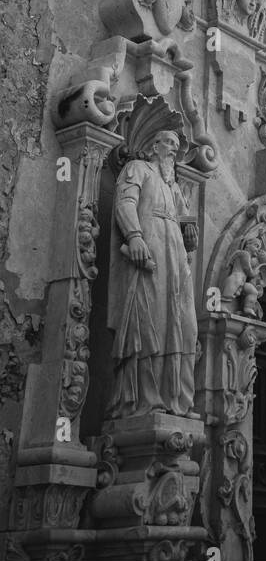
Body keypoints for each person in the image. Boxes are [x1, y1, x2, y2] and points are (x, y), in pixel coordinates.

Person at [107, 130, 198, 419]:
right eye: (168, 142)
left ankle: (178, 400)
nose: (173, 148)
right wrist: (134, 236)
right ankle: (144, 399)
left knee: (185, 325)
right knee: (151, 320)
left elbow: (185, 215)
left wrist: (190, 230)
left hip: (176, 254)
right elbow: (125, 202)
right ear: (153, 145)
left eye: (176, 144)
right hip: (152, 244)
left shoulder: (172, 184)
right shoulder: (138, 169)